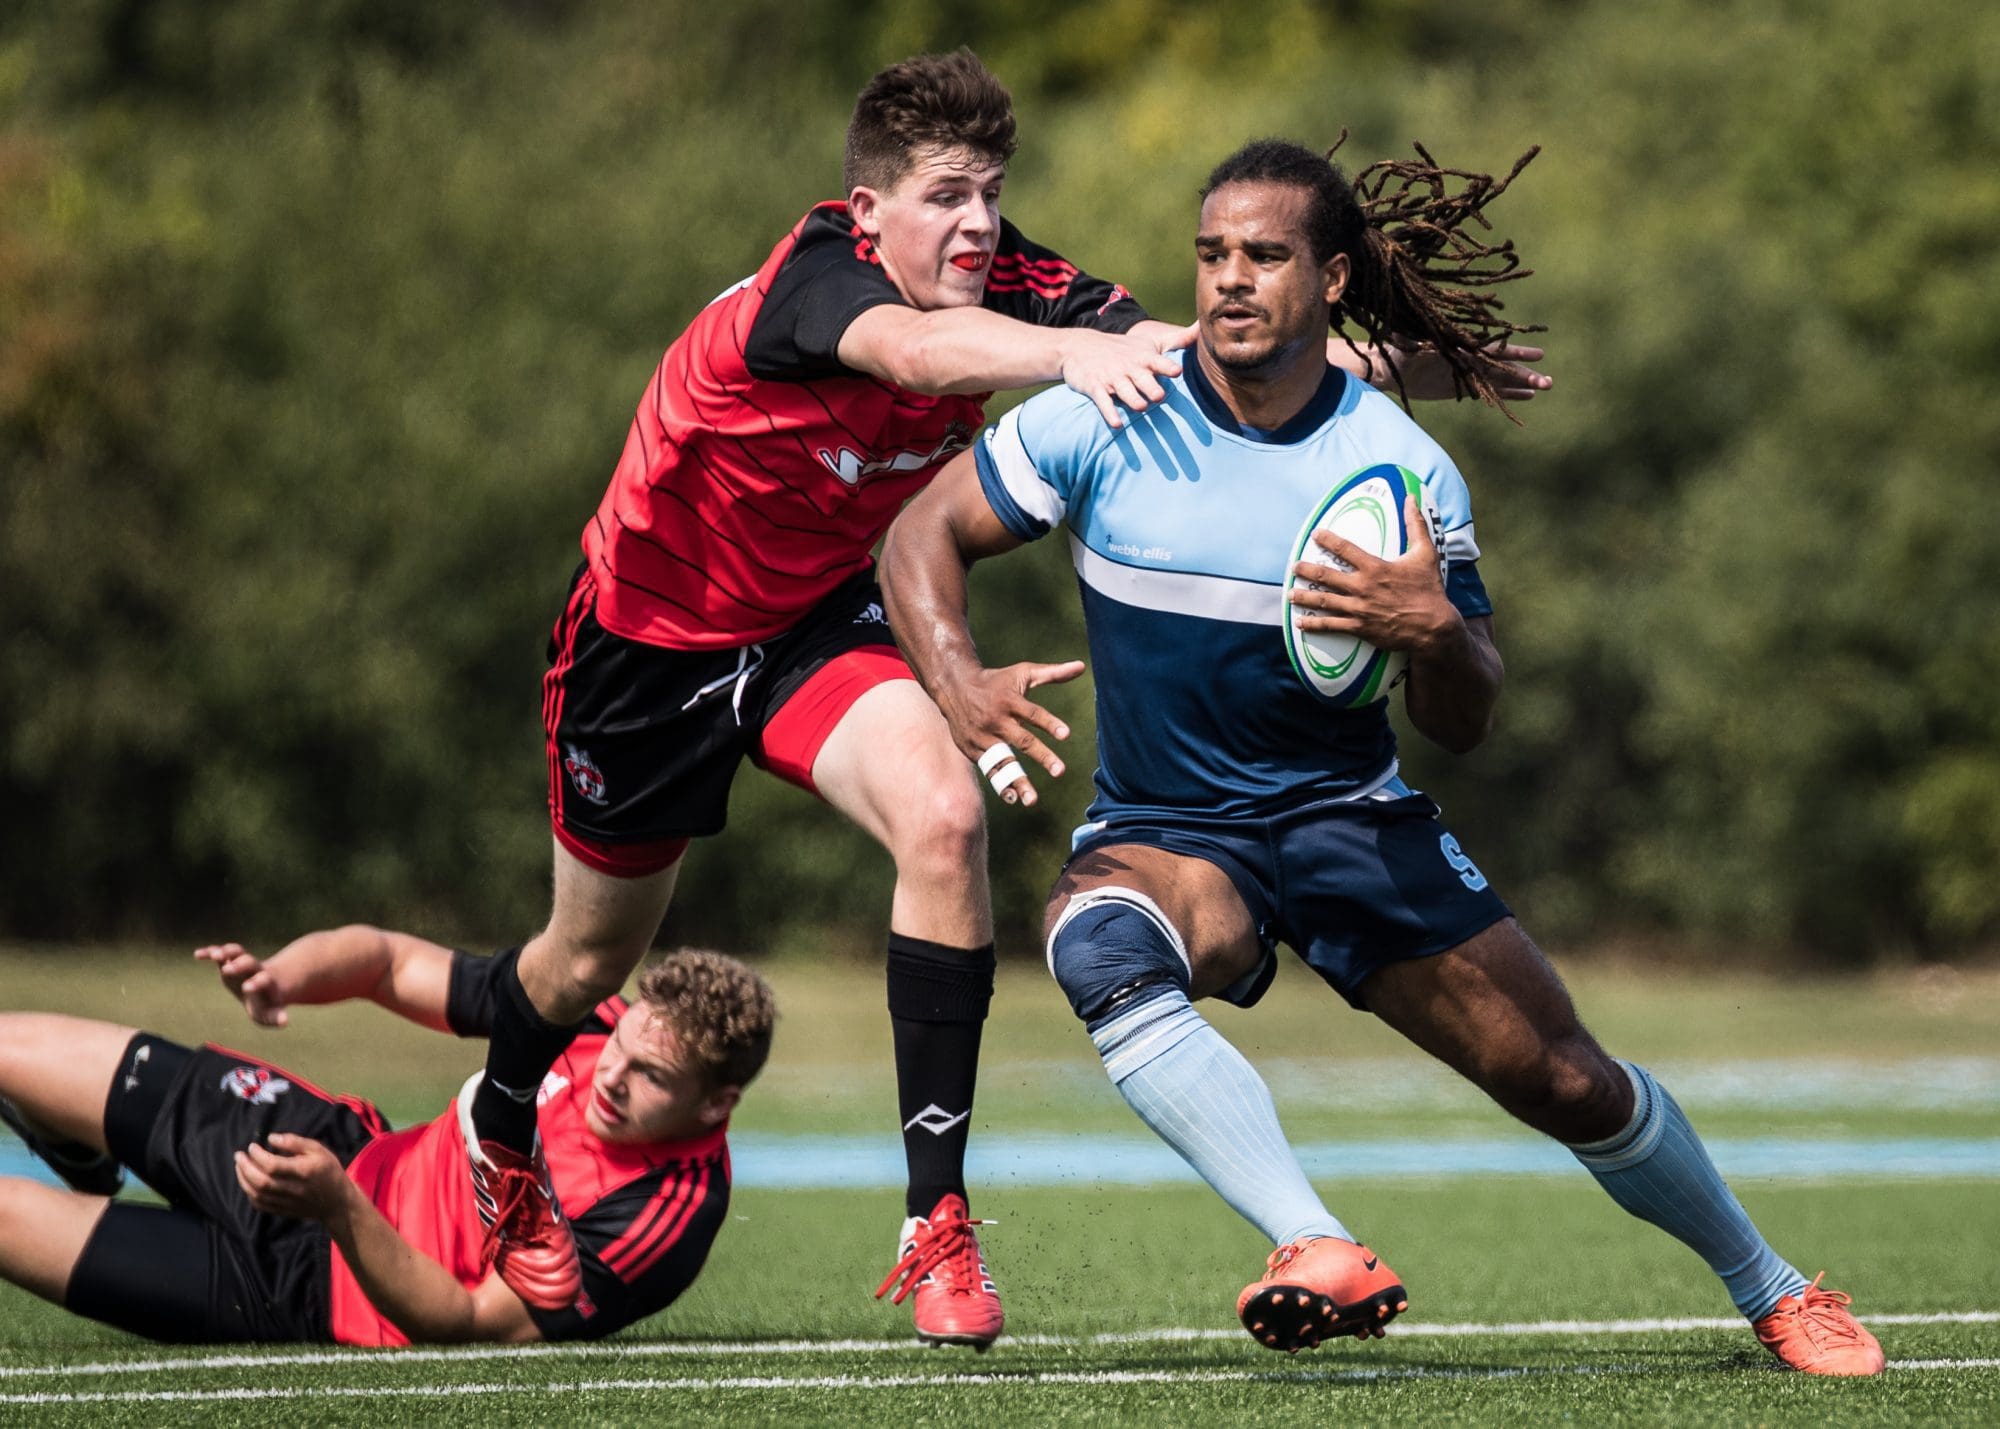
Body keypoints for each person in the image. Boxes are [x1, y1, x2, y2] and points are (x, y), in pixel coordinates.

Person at [468, 47, 1552, 1349]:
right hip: (647, 648)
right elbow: (921, 353)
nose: (977, 222)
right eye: (943, 196)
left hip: (810, 630)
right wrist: (1067, 355)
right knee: (585, 960)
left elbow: (1209, 356)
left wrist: (1427, 370)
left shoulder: (1022, 286)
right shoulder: (816, 283)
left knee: (945, 816)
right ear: (868, 212)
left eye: (989, 192)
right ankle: (501, 1123)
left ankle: (934, 1221)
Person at [877, 138, 1884, 1376]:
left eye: (1263, 255)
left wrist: (1436, 632)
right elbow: (919, 535)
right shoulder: (1105, 413)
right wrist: (957, 680)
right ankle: (1312, 1242)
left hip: (1352, 823)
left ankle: (1777, 1291)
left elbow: (1464, 717)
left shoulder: (1403, 468)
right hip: (1172, 830)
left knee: (1567, 1082)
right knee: (1095, 943)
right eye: (1210, 254)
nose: (1228, 279)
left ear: (1334, 278)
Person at [0, 926, 772, 1346]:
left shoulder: (666, 1210)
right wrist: (285, 976)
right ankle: (77, 1142)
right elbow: (389, 962)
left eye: (652, 1076)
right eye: (622, 1045)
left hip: (298, 1294)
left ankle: (73, 1140)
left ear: (717, 1103)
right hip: (320, 1142)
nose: (611, 1075)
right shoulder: (585, 1017)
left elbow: (470, 1325)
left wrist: (339, 1208)